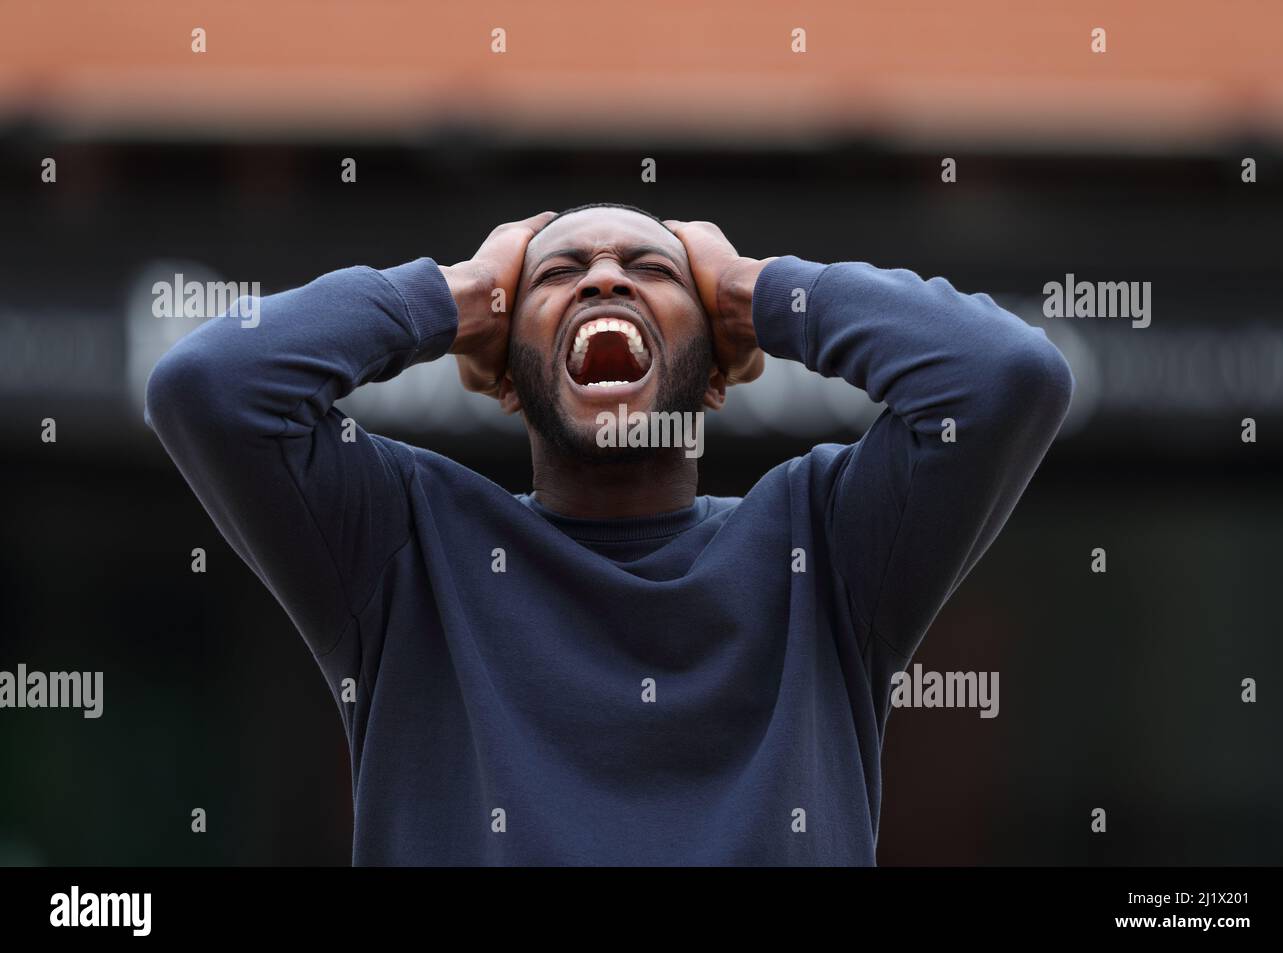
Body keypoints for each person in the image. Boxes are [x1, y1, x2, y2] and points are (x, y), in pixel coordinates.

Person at [144, 202, 1074, 865]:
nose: (602, 276)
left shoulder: (825, 545)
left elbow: (1003, 376)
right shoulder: (404, 544)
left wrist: (757, 291)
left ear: (715, 377)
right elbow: (213, 388)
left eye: (651, 270)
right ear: (507, 380)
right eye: (558, 273)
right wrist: (459, 293)